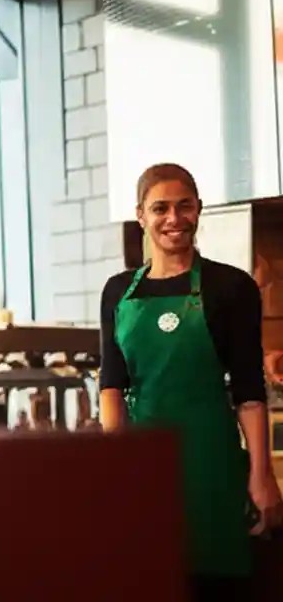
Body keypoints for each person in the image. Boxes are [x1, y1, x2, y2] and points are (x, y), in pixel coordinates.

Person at [99, 163, 283, 600]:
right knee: (152, 578)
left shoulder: (232, 287)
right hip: (145, 466)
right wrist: (111, 468)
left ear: (198, 210)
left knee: (218, 581)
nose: (173, 218)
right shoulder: (118, 291)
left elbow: (249, 393)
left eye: (184, 206)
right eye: (160, 208)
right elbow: (111, 384)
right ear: (140, 216)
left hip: (213, 463)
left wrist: (261, 475)